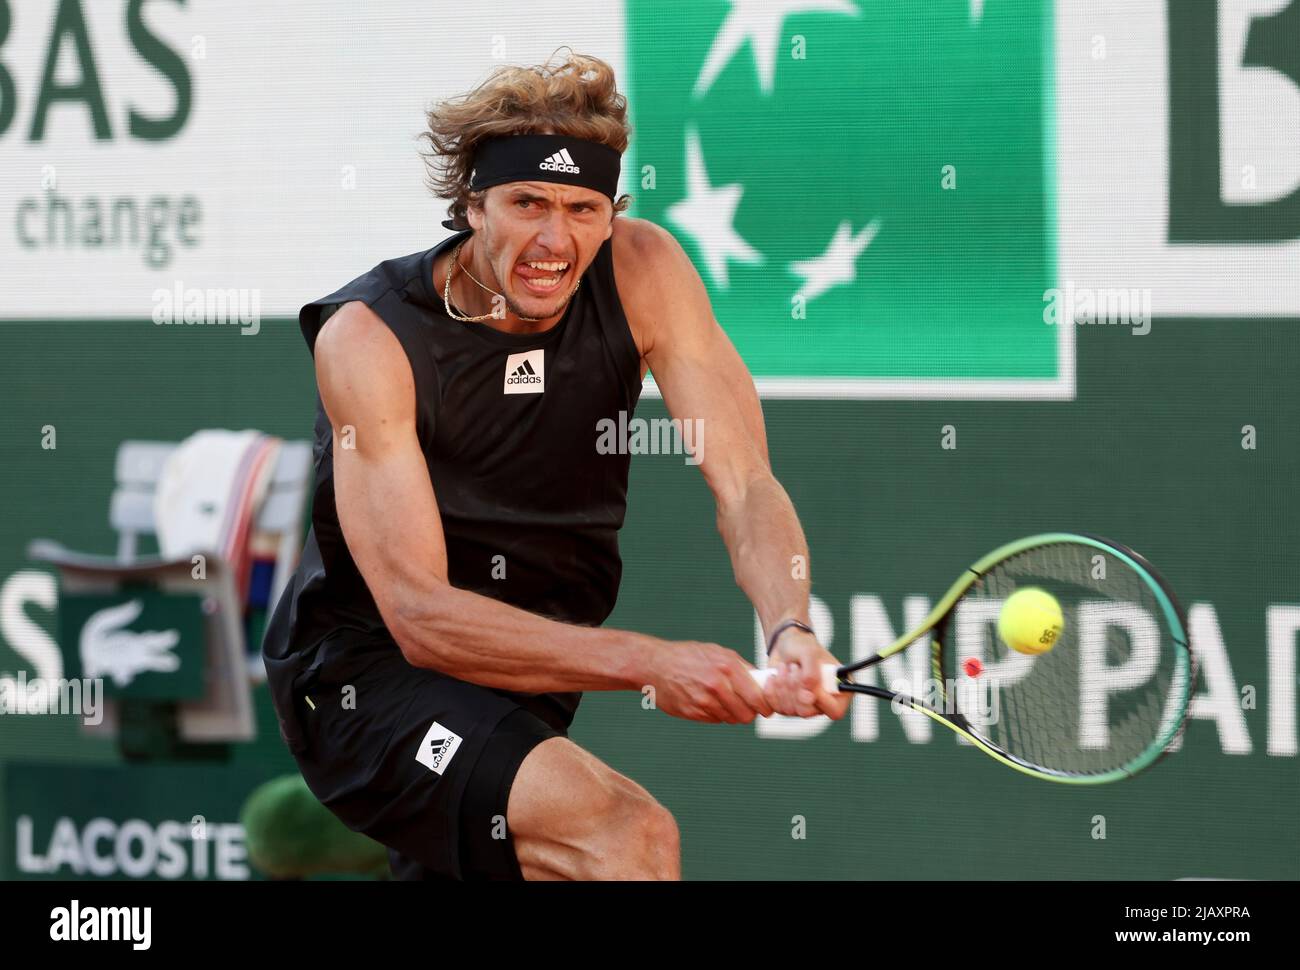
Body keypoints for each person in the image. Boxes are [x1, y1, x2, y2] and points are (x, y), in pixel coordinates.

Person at [262, 49, 848, 882]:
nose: (553, 237)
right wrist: (651, 662)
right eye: (526, 202)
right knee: (627, 836)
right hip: (368, 682)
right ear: (472, 207)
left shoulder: (645, 271)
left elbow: (746, 482)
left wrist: (789, 625)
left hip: (526, 682)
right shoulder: (370, 339)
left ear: (613, 215)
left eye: (582, 208)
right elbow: (420, 616)